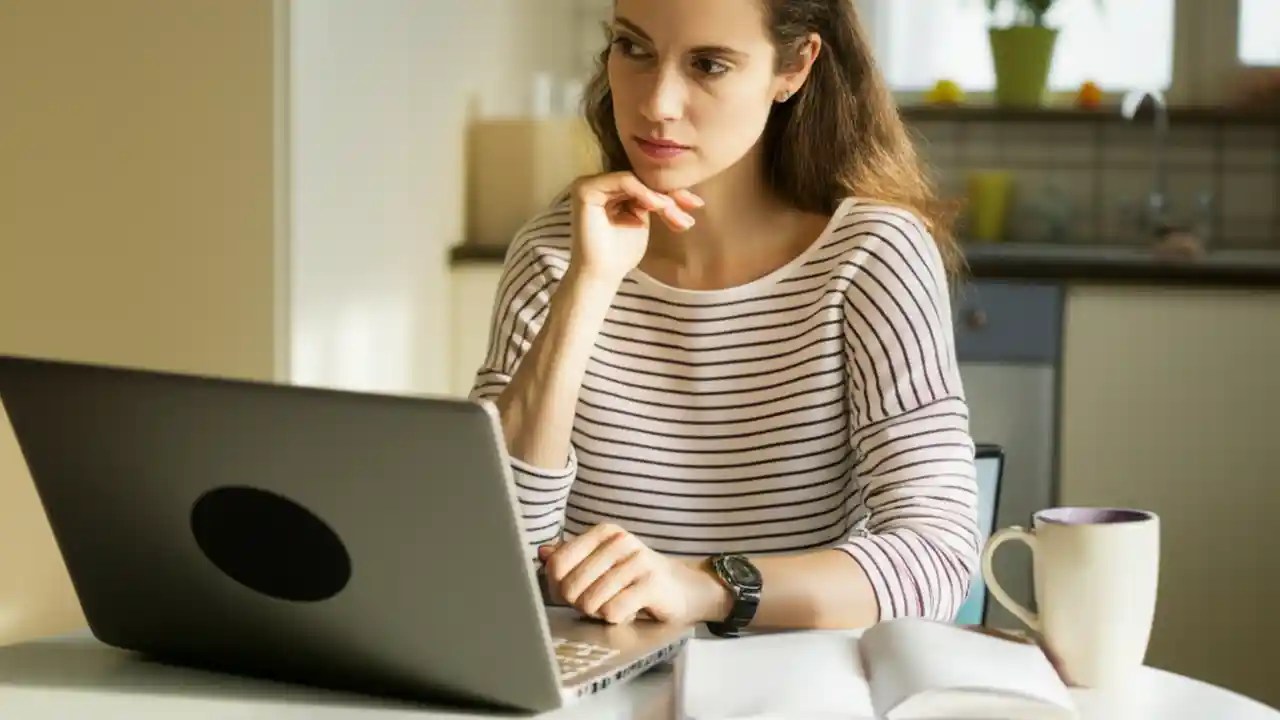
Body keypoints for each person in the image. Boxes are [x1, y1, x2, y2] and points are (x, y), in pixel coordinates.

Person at [470, 0, 979, 635]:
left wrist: (704, 587)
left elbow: (937, 560)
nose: (657, 103)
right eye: (635, 49)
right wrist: (587, 286)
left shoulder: (871, 255)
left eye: (708, 64)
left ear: (794, 67)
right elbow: (490, 557)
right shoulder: (554, 253)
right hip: (590, 684)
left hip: (791, 684)